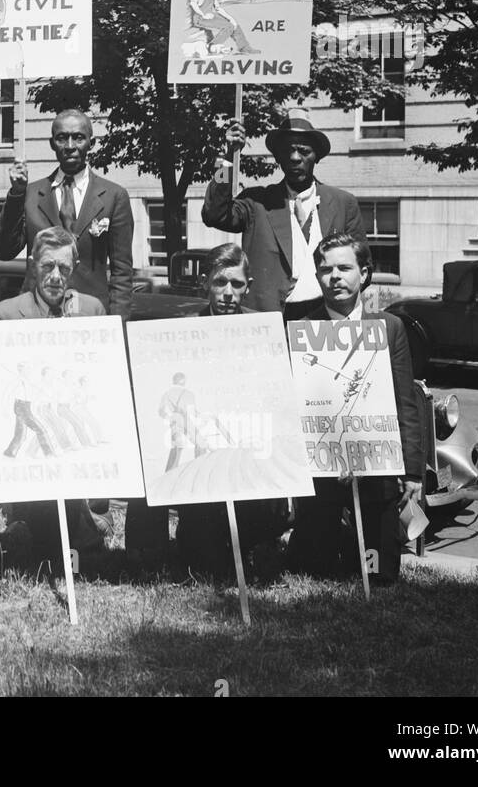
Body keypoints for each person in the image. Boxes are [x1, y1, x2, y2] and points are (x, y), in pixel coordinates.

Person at [285, 234, 425, 586]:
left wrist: (413, 472)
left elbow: (405, 401)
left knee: (378, 574)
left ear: (364, 274)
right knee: (313, 571)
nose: (335, 276)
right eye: (325, 269)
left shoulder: (389, 328)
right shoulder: (302, 329)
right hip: (322, 472)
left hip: (376, 470)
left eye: (345, 268)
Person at [0, 226, 110, 565]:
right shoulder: (5, 314)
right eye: (47, 267)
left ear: (74, 268)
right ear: (32, 265)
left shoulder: (92, 310)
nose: (56, 277)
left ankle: (81, 529)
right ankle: (38, 529)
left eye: (64, 268)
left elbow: (102, 381)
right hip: (28, 416)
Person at [172, 243, 287, 578]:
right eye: (220, 283)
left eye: (236, 285)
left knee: (251, 550)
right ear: (205, 282)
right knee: (201, 563)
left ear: (248, 287)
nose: (227, 293)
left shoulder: (264, 330)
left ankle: (251, 541)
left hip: (248, 450)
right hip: (202, 453)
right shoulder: (183, 332)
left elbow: (276, 398)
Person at [202, 110, 365, 316]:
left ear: (316, 156)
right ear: (278, 157)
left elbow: (363, 267)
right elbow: (213, 214)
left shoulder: (343, 203)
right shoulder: (256, 202)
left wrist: (344, 309)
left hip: (325, 322)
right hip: (267, 320)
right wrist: (227, 158)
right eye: (287, 150)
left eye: (303, 151)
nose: (295, 157)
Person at [0, 108, 135, 318]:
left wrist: (117, 327)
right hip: (38, 315)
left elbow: (122, 274)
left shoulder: (114, 197)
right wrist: (16, 194)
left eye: (78, 138)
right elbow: (5, 251)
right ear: (52, 144)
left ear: (91, 143)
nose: (70, 146)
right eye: (62, 138)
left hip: (90, 315)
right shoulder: (31, 194)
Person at [184, 0, 258, 56]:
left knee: (233, 24)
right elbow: (193, 2)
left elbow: (217, 8)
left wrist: (231, 18)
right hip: (200, 18)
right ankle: (212, 46)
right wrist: (203, 15)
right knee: (229, 27)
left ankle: (245, 47)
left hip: (209, 16)